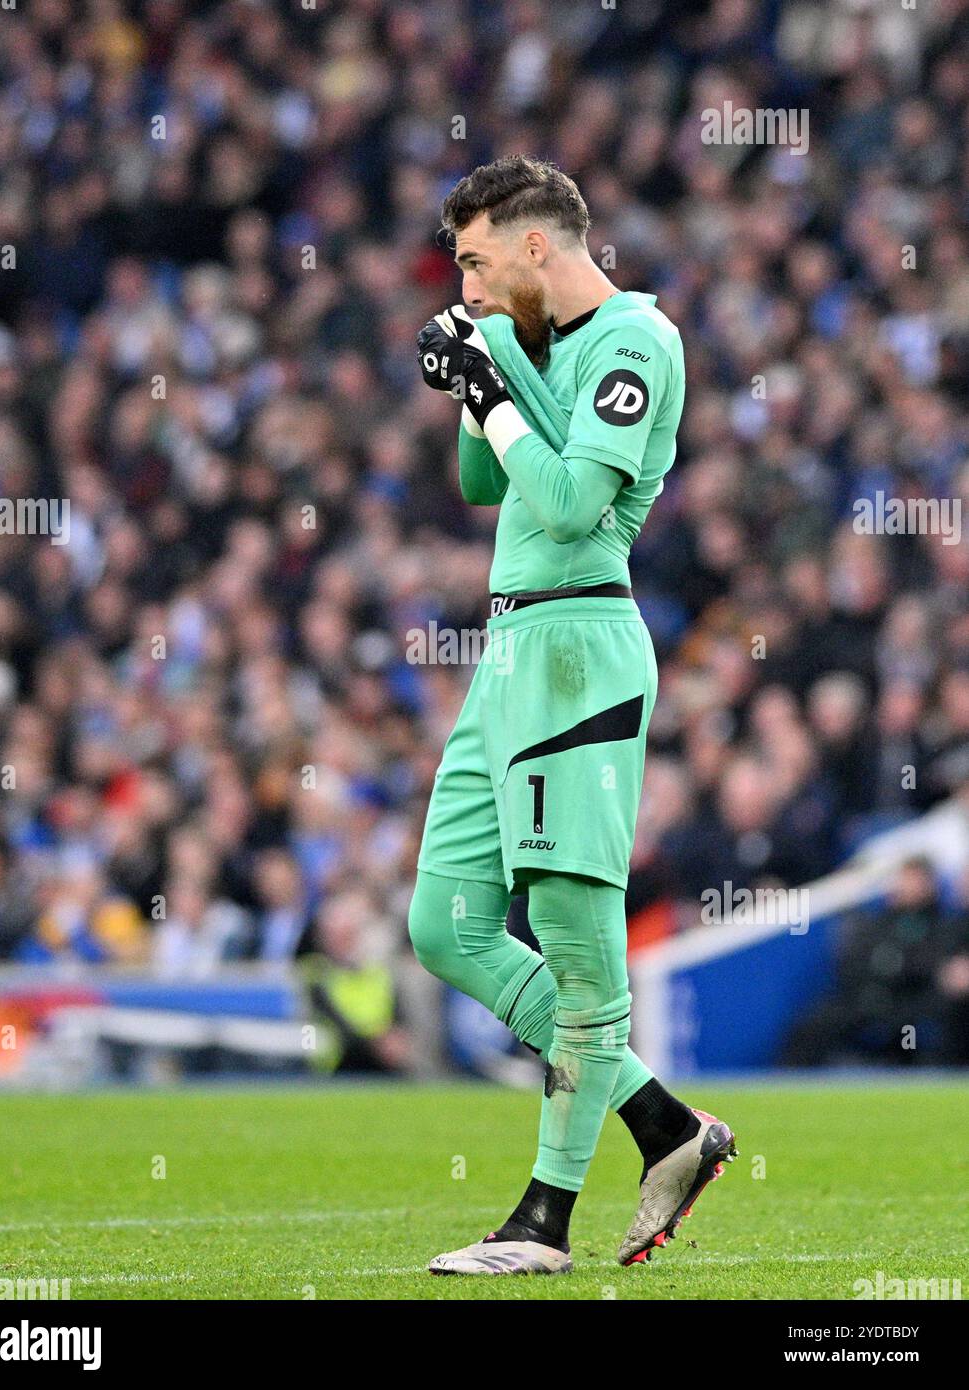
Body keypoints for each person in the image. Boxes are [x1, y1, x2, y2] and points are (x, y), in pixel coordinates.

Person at [408, 156, 735, 1276]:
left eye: (475, 261)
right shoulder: (521, 337)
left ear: (536, 244)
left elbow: (563, 500)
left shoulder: (636, 341)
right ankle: (664, 1127)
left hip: (579, 649)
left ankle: (541, 1223)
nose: (465, 286)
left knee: (579, 951)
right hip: (505, 653)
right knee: (442, 923)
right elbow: (481, 486)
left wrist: (493, 386)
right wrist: (479, 370)